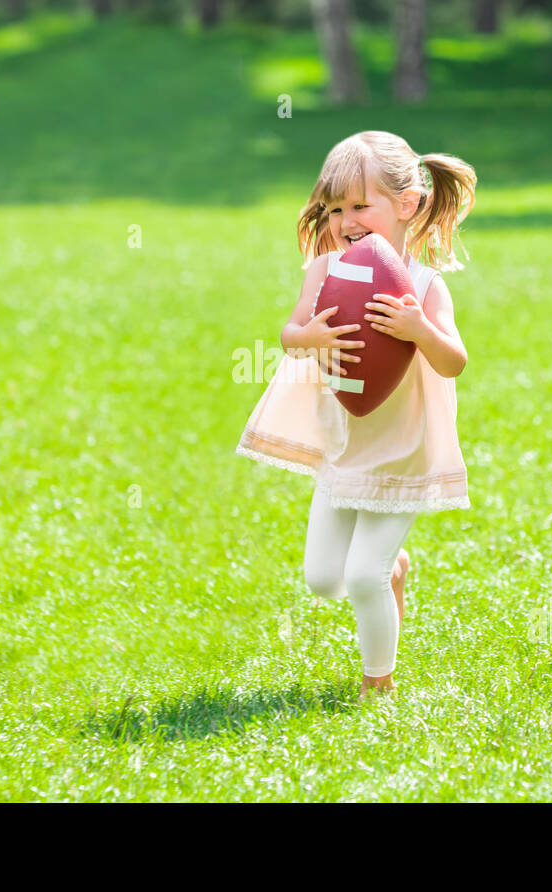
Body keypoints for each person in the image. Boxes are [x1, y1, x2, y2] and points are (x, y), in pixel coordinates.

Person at [235, 130, 476, 700]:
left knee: (363, 577)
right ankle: (394, 571)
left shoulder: (423, 285)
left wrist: (419, 329)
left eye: (360, 206)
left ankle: (378, 686)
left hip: (404, 449)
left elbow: (455, 362)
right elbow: (291, 333)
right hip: (344, 443)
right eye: (335, 208)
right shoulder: (323, 272)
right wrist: (308, 336)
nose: (345, 220)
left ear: (407, 204)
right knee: (324, 580)